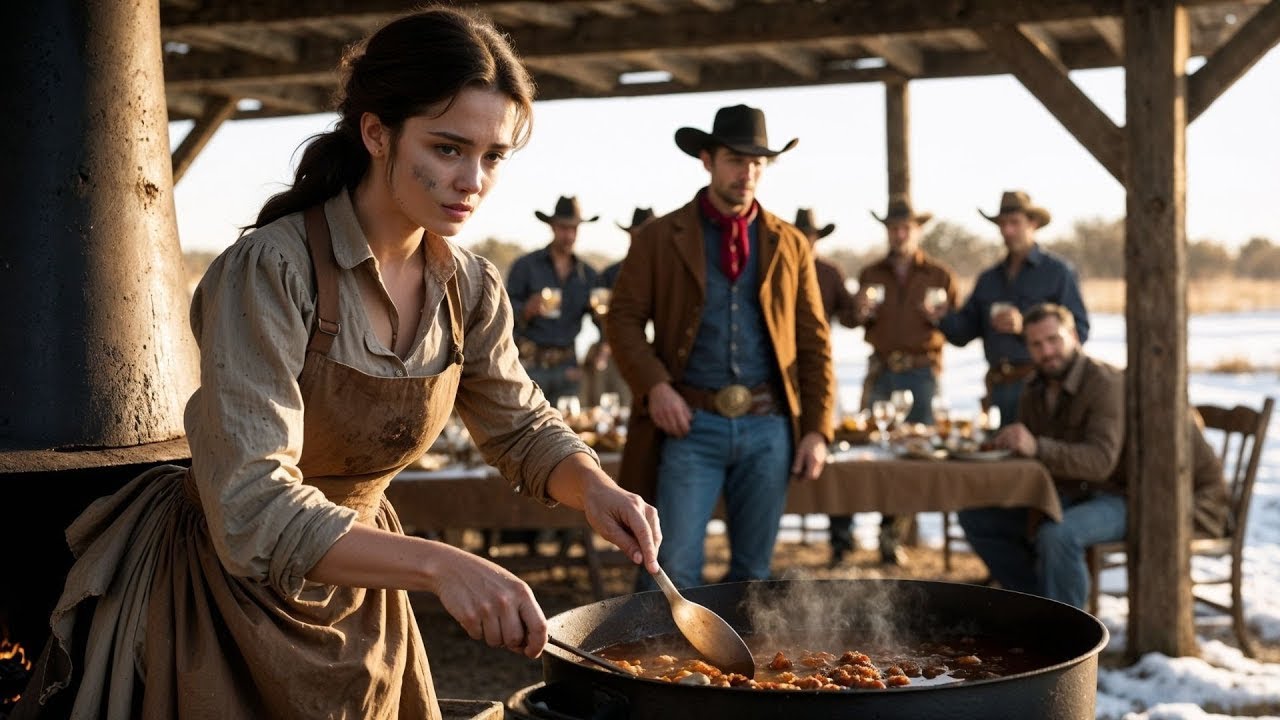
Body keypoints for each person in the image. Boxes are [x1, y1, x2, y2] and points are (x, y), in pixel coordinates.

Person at [13, 9, 660, 719]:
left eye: (493, 155)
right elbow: (253, 509)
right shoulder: (271, 270)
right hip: (219, 606)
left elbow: (523, 429)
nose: (472, 179)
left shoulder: (469, 286)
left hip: (363, 601)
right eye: (448, 148)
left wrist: (594, 487)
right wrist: (442, 566)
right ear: (376, 133)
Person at [607, 104, 835, 590]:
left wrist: (817, 429)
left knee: (754, 576)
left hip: (769, 428)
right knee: (669, 571)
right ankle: (656, 668)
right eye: (736, 159)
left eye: (758, 162)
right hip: (691, 425)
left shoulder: (791, 243)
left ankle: (739, 668)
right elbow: (622, 320)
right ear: (707, 160)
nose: (747, 172)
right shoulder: (656, 238)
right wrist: (657, 388)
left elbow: (814, 341)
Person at [956, 303, 1123, 610]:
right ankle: (1037, 608)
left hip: (1115, 496)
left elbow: (1101, 462)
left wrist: (1038, 447)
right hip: (1063, 494)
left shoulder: (1104, 383)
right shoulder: (1032, 387)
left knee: (1057, 535)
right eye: (1036, 344)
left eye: (1054, 340)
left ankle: (1071, 634)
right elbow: (1027, 453)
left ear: (1073, 335)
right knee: (977, 517)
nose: (1047, 352)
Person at [832, 194, 959, 567]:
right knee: (864, 449)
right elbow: (854, 321)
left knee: (910, 455)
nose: (900, 234)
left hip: (921, 373)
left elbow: (958, 326)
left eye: (906, 227)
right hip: (882, 370)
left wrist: (941, 318)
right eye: (893, 228)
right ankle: (845, 542)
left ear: (918, 231)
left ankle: (891, 539)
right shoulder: (871, 273)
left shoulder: (940, 275)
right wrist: (859, 311)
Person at [939, 190, 1090, 429]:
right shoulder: (988, 279)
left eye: (1014, 223)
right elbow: (963, 332)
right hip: (997, 389)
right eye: (1002, 224)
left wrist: (1025, 329)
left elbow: (1079, 331)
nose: (1007, 231)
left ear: (1033, 223)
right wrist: (941, 316)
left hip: (1041, 388)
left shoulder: (1058, 273)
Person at [505, 195, 602, 404]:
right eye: (564, 228)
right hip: (528, 368)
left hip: (568, 371)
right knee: (525, 434)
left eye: (574, 229)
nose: (569, 235)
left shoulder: (589, 276)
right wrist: (526, 309)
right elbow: (501, 313)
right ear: (552, 227)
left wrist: (601, 349)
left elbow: (605, 324)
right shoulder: (525, 267)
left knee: (568, 431)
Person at [580, 207, 656, 408]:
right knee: (600, 408)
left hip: (643, 354)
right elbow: (594, 313)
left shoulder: (661, 274)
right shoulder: (611, 274)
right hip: (609, 352)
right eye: (637, 235)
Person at [795, 208, 858, 329]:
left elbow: (848, 315)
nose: (804, 241)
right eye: (799, 235)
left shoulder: (830, 273)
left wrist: (859, 309)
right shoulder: (780, 269)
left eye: (808, 235)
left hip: (818, 342)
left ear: (816, 237)